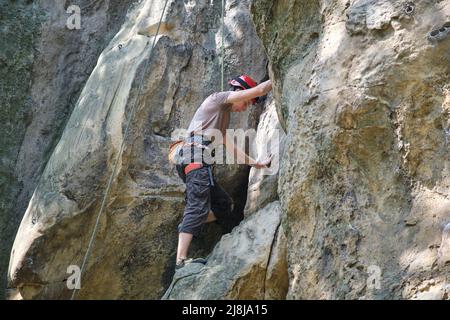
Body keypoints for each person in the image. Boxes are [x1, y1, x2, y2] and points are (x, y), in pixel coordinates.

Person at [174, 75, 273, 270]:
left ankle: (190, 222)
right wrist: (276, 77)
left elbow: (231, 147)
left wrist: (256, 164)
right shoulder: (218, 98)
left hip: (198, 159)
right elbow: (261, 90)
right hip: (195, 156)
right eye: (247, 102)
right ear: (239, 91)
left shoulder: (222, 117)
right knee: (197, 206)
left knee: (224, 205)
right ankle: (181, 261)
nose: (245, 107)